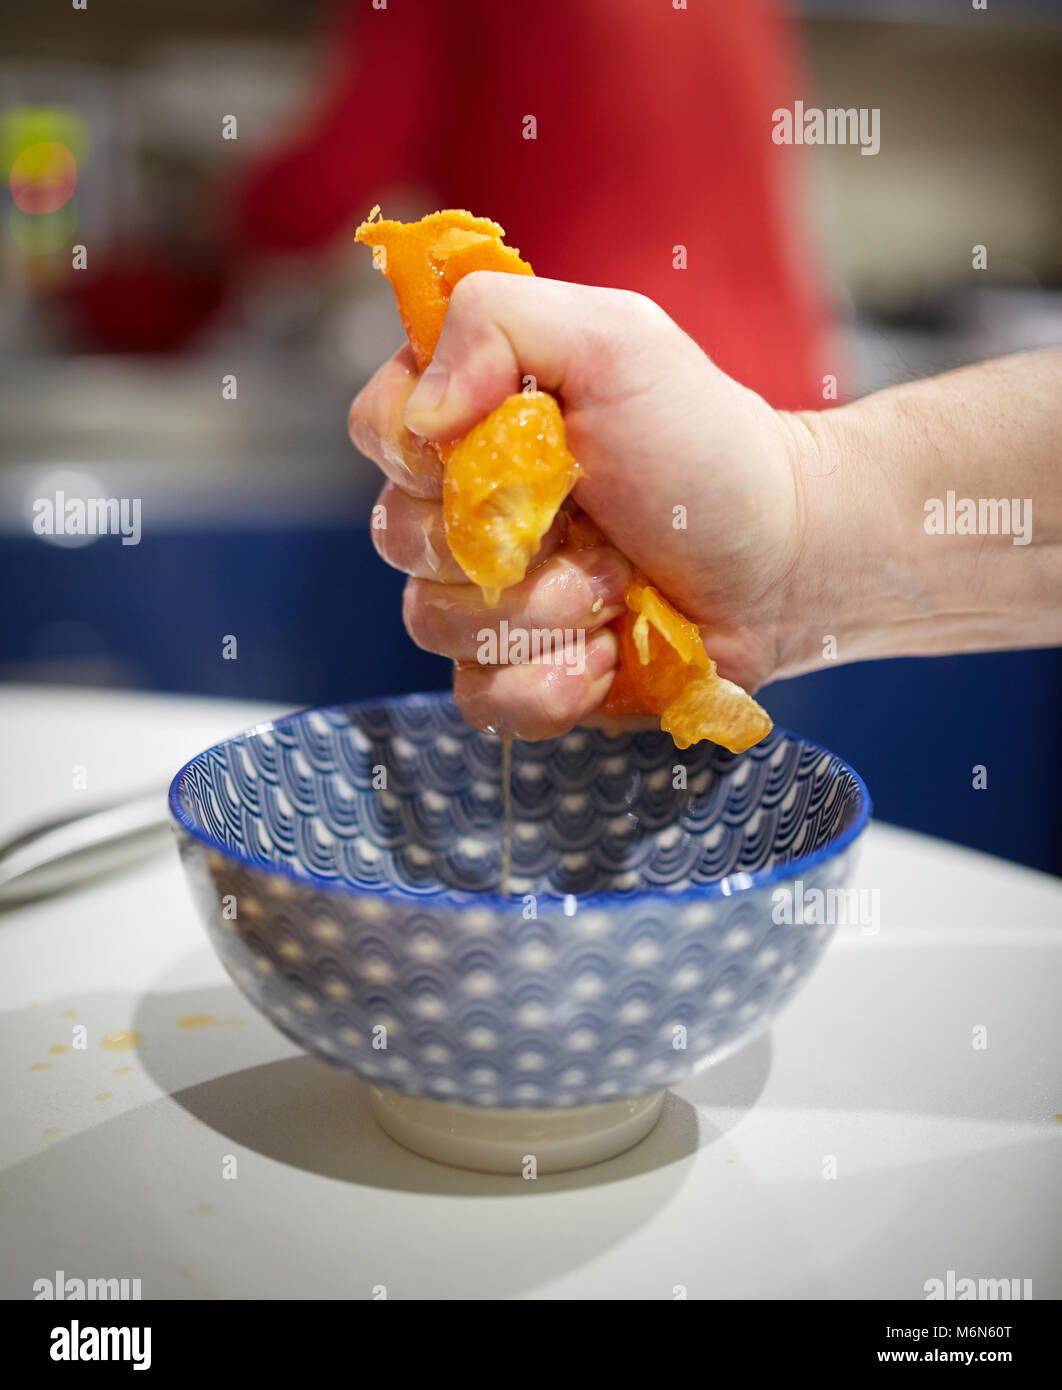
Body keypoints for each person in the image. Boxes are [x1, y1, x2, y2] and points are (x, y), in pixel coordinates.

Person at [348, 274, 1061, 740]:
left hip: (602, 408)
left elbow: (311, 190)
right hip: (771, 377)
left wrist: (800, 520)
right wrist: (798, 518)